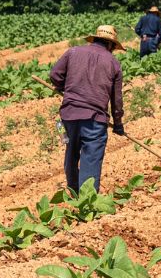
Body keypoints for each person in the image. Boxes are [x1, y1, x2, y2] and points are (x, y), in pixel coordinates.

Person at [49, 25, 126, 193]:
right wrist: (118, 123)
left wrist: (67, 89)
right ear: (111, 45)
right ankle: (86, 201)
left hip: (68, 116)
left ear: (95, 39)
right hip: (94, 119)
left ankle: (74, 191)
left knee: (71, 150)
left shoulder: (73, 52)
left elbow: (54, 75)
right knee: (90, 158)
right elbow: (116, 100)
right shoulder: (113, 63)